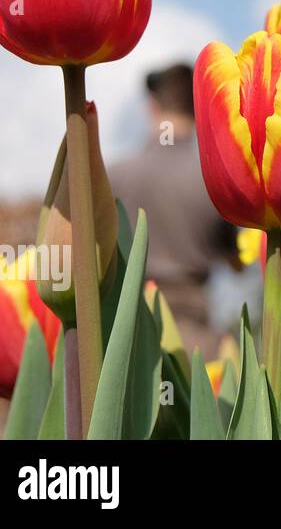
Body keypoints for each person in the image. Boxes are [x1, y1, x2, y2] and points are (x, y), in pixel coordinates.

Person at [108, 63, 237, 357]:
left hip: (128, 335)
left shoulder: (115, 176)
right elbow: (235, 259)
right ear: (197, 111)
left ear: (151, 107)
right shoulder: (215, 180)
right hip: (196, 336)